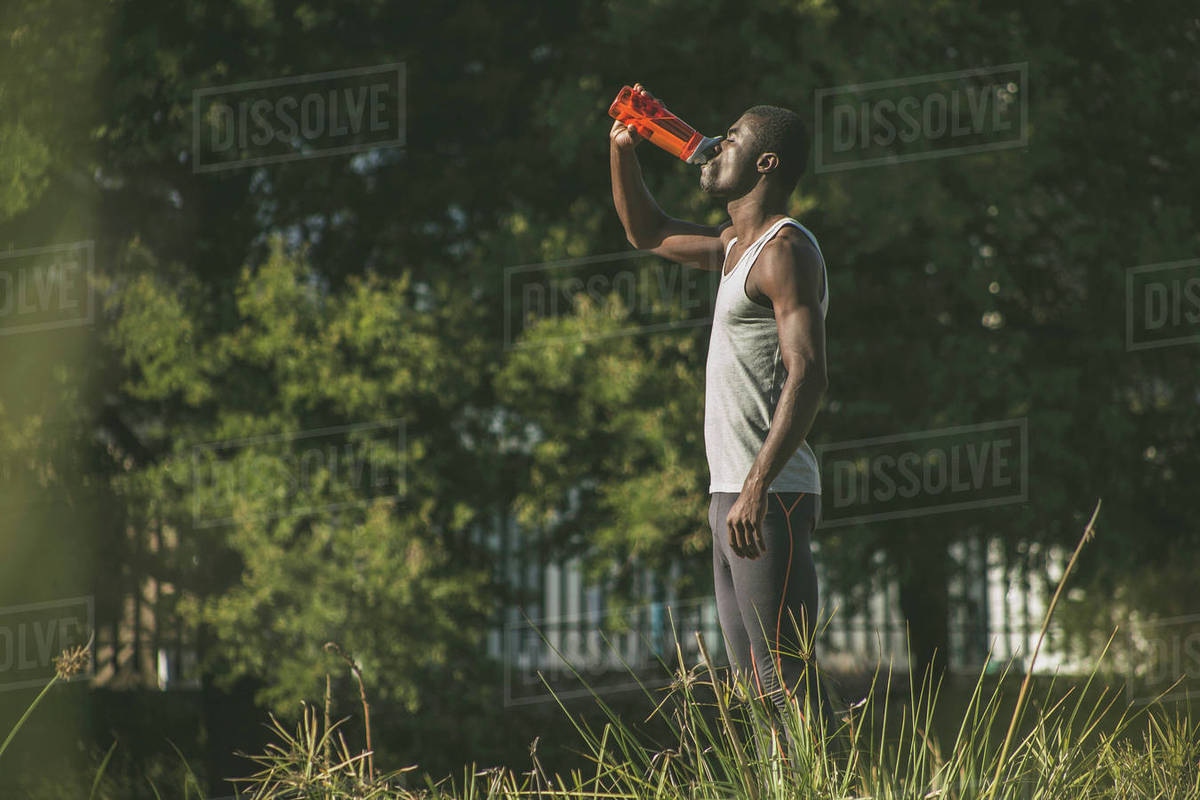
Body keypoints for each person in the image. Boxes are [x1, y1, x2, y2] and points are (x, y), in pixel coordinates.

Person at [608, 84, 837, 765]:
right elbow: (646, 232)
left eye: (729, 141)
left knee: (784, 683)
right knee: (754, 689)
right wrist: (625, 149)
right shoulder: (733, 243)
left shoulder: (783, 251)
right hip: (730, 494)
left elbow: (811, 374)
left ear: (765, 163)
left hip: (771, 496)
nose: (710, 148)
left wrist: (759, 485)